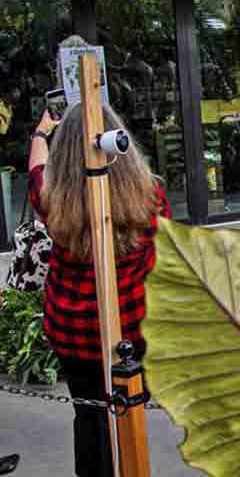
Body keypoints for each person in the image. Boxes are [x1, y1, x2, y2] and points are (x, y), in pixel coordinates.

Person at [33, 105, 170, 477]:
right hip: (132, 330)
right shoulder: (150, 194)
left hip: (74, 335)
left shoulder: (51, 197)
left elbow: (35, 171)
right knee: (129, 417)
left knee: (89, 415)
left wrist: (41, 134)